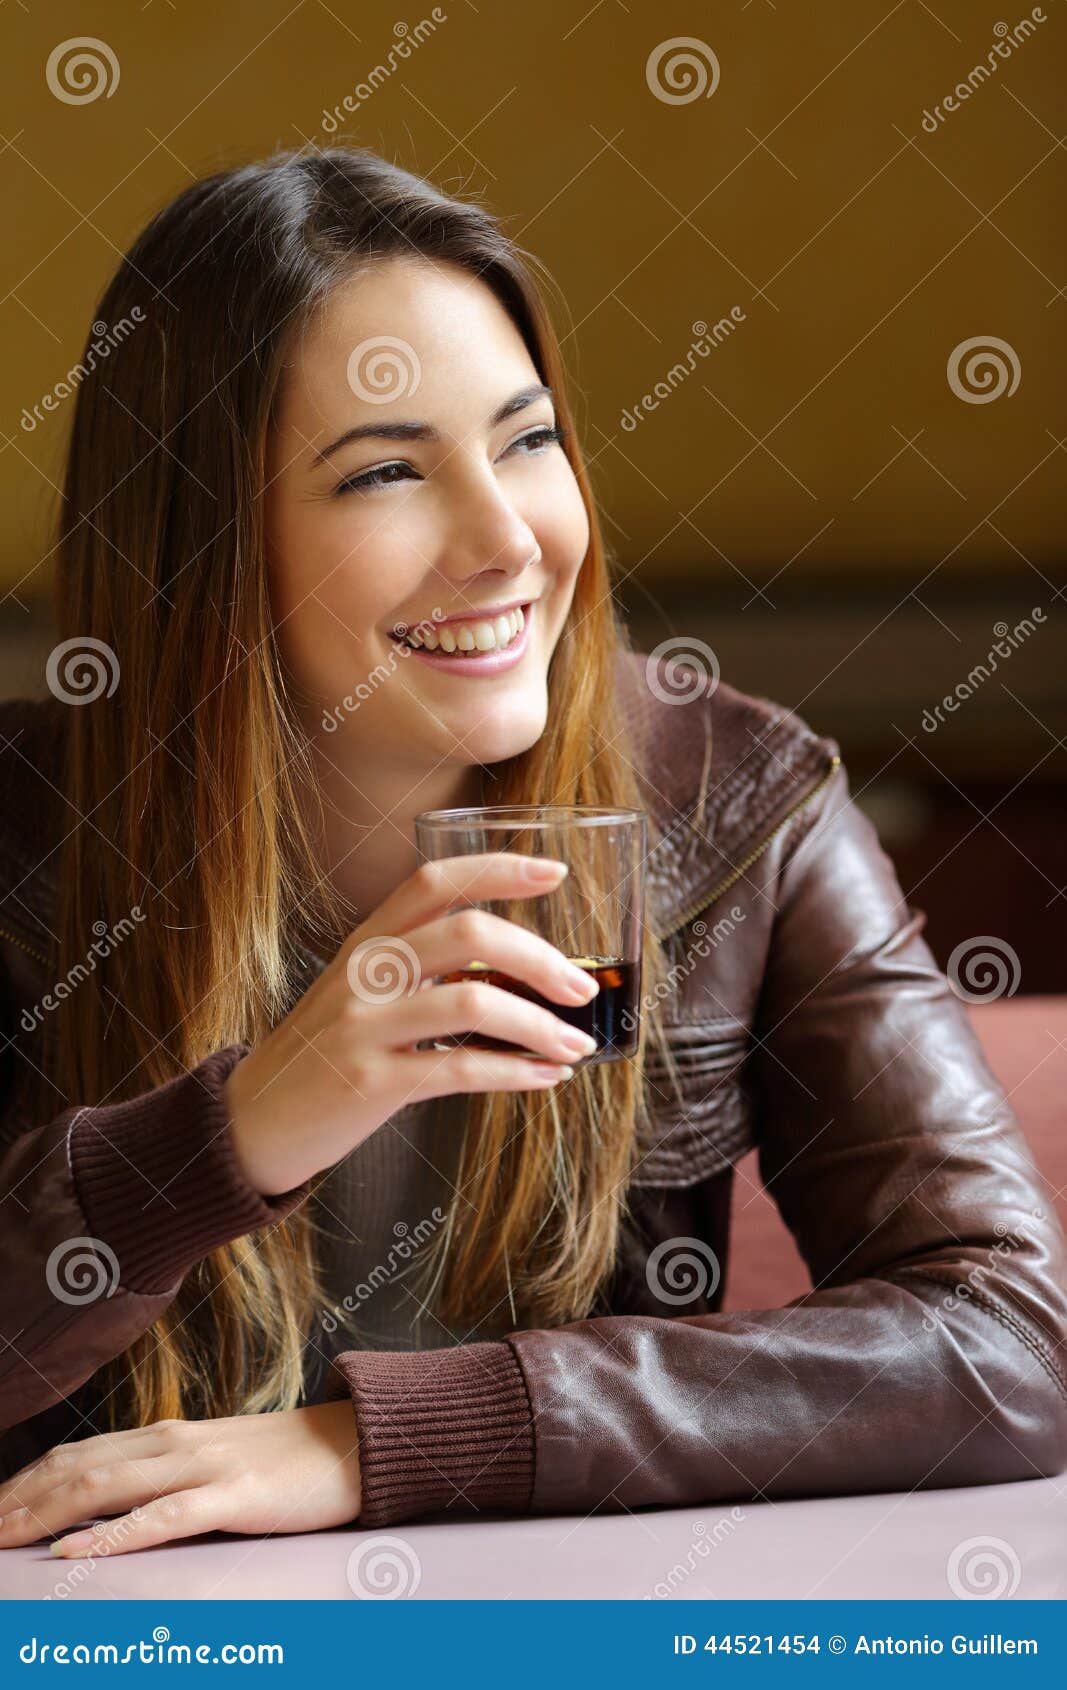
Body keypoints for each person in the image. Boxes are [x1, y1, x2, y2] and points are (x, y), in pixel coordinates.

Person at [0, 147, 1064, 1562]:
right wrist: (238, 1130)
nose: (509, 539)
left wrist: (383, 1441)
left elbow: (1003, 1338)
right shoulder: (25, 831)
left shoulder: (740, 804)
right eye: (385, 470)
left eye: (529, 439)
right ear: (203, 545)